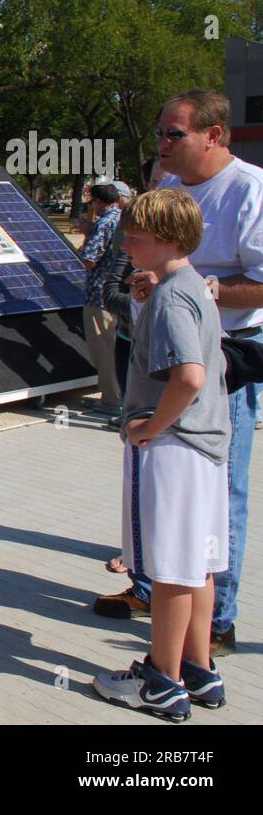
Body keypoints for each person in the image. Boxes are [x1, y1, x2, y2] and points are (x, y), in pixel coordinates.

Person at [94, 91, 263, 656]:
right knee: (161, 498)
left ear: (215, 135)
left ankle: (212, 629)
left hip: (224, 351)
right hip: (161, 347)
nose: (161, 144)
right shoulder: (166, 189)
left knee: (219, 486)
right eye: (160, 132)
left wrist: (197, 294)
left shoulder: (249, 190)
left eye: (174, 134)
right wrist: (153, 288)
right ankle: (152, 585)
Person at [92, 189, 229, 719]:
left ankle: (160, 682)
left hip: (174, 448)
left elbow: (189, 377)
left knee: (171, 569)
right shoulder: (187, 285)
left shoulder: (173, 297)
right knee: (198, 566)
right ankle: (198, 670)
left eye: (137, 238)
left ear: (169, 240)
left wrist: (152, 425)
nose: (126, 244)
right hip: (206, 448)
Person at [78, 182, 123, 416]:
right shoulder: (124, 218)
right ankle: (117, 395)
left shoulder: (104, 223)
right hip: (118, 293)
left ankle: (111, 401)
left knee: (103, 349)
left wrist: (87, 234)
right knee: (116, 347)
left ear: (98, 201)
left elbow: (89, 258)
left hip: (99, 294)